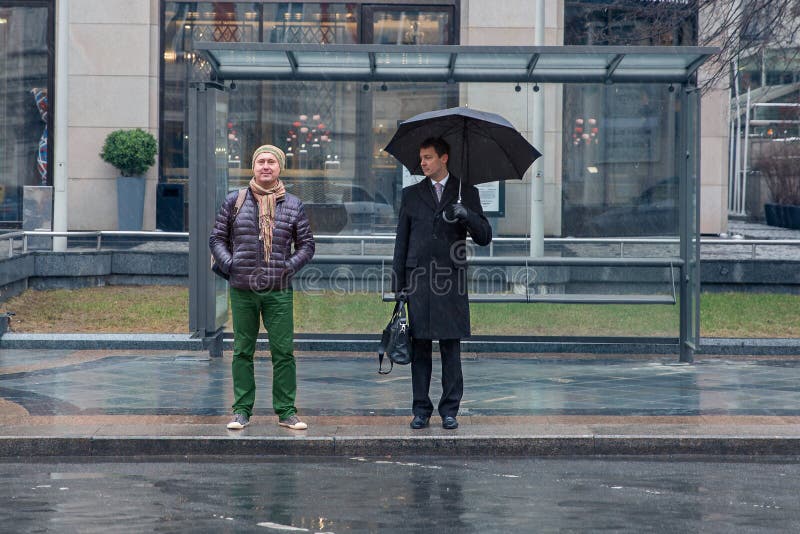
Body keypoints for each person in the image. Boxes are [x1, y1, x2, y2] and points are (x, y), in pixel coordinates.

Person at [210, 144, 315, 430]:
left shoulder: (293, 205)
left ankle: (286, 412)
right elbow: (216, 238)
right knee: (243, 350)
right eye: (261, 162)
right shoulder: (235, 201)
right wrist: (231, 264)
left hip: (278, 289)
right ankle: (241, 411)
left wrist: (288, 266)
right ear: (253, 167)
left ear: (280, 168)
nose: (266, 166)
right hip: (242, 287)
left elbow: (307, 245)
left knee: (283, 352)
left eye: (271, 162)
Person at [392, 137, 492, 430]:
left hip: (450, 282)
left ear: (444, 158)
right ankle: (421, 410)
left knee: (451, 348)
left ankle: (450, 410)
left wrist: (467, 214)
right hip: (418, 281)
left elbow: (485, 236)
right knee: (419, 348)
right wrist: (398, 286)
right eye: (421, 157)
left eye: (428, 157)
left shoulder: (466, 193)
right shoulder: (411, 195)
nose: (422, 163)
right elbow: (402, 241)